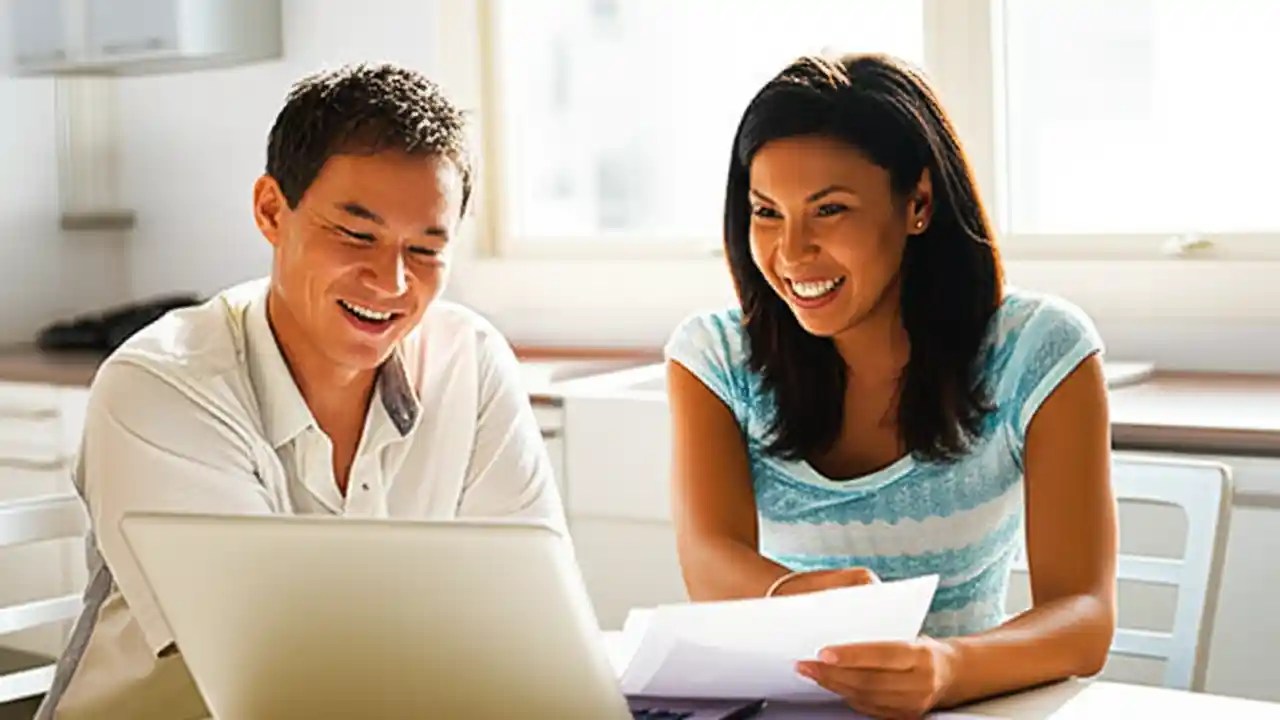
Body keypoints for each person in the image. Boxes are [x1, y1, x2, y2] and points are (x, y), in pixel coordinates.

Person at [37, 63, 565, 720]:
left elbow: (529, 616)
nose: (392, 281)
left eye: (426, 249)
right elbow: (276, 675)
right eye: (356, 234)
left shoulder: (471, 361)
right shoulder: (162, 385)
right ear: (270, 211)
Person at [664, 53, 1117, 718]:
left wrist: (946, 668)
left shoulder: (1039, 349)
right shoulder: (716, 357)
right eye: (767, 212)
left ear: (919, 204)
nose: (791, 253)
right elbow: (709, 559)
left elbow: (1084, 618)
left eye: (830, 210)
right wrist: (797, 599)